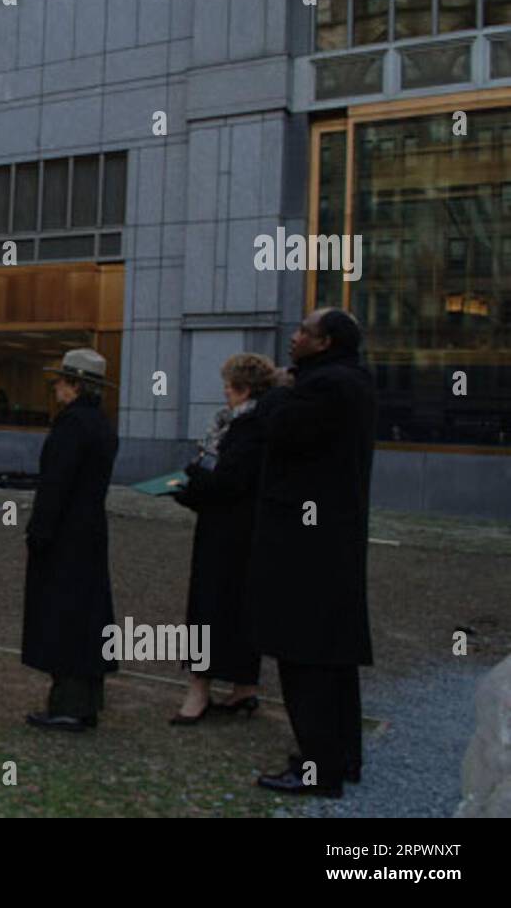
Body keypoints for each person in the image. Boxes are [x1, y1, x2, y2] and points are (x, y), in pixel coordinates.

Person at [251, 308, 376, 798]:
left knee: (305, 656)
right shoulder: (351, 382)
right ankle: (341, 755)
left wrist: (279, 389)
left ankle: (318, 769)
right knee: (332, 657)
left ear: (324, 343)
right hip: (330, 540)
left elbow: (277, 429)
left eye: (303, 331)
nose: (294, 337)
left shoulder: (325, 388)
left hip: (306, 545)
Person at [169, 353, 276, 724]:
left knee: (211, 606)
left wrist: (191, 479)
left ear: (244, 388)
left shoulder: (249, 428)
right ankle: (244, 686)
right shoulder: (249, 424)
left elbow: (228, 481)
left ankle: (199, 689)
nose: (225, 391)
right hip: (236, 530)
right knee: (238, 608)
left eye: (230, 385)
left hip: (227, 534)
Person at [22, 348, 119, 733]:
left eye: (61, 381)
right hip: (90, 530)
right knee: (87, 613)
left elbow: (55, 486)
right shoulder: (101, 423)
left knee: (64, 615)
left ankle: (69, 705)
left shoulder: (72, 425)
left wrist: (39, 532)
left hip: (66, 534)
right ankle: (84, 701)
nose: (56, 387)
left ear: (76, 385)